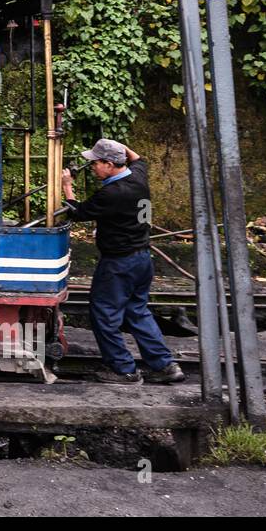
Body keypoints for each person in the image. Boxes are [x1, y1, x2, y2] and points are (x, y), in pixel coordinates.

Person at [62, 138, 185, 385]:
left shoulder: (112, 193)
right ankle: (164, 365)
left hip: (119, 263)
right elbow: (139, 159)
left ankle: (123, 370)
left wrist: (67, 187)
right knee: (136, 312)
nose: (93, 167)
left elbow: (77, 212)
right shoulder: (138, 177)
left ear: (109, 164)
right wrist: (117, 145)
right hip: (142, 259)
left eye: (96, 163)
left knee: (104, 314)